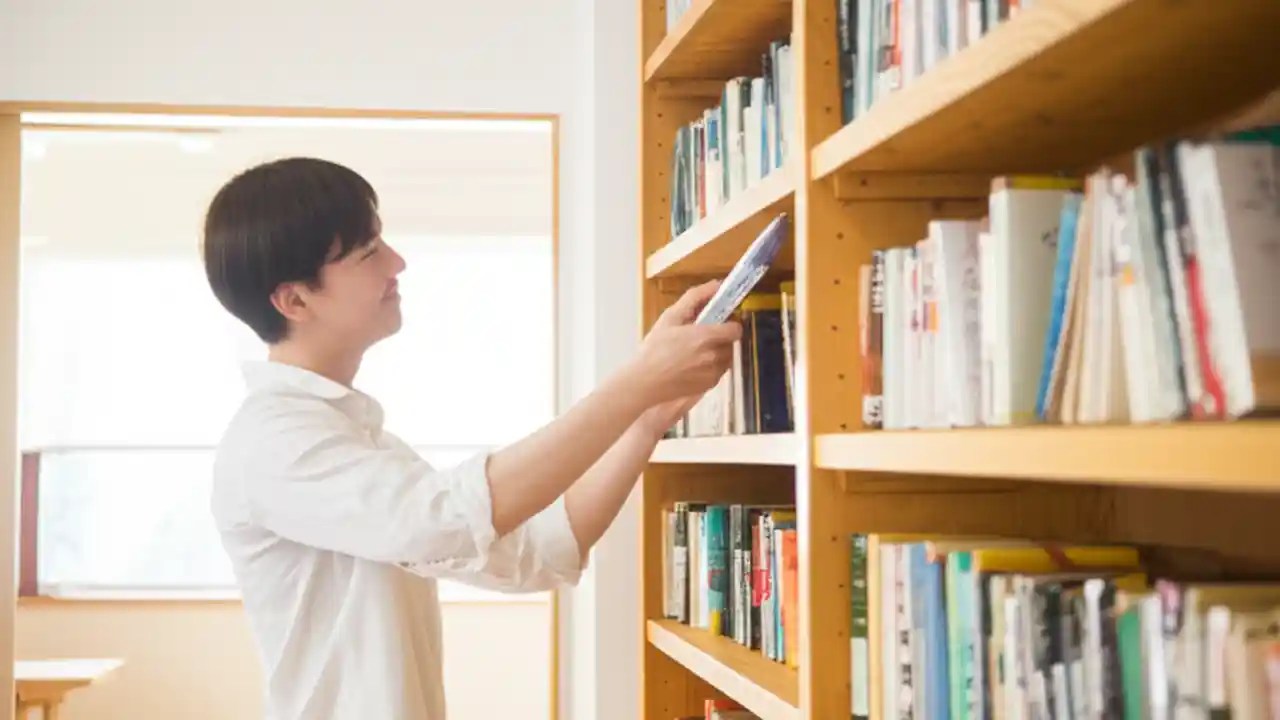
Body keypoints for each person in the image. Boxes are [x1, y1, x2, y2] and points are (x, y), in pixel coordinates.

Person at [202, 156, 741, 720]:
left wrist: (645, 421)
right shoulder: (275, 441)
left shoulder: (358, 443)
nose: (397, 262)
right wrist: (636, 383)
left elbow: (538, 555)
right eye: (368, 253)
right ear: (294, 301)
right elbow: (443, 521)